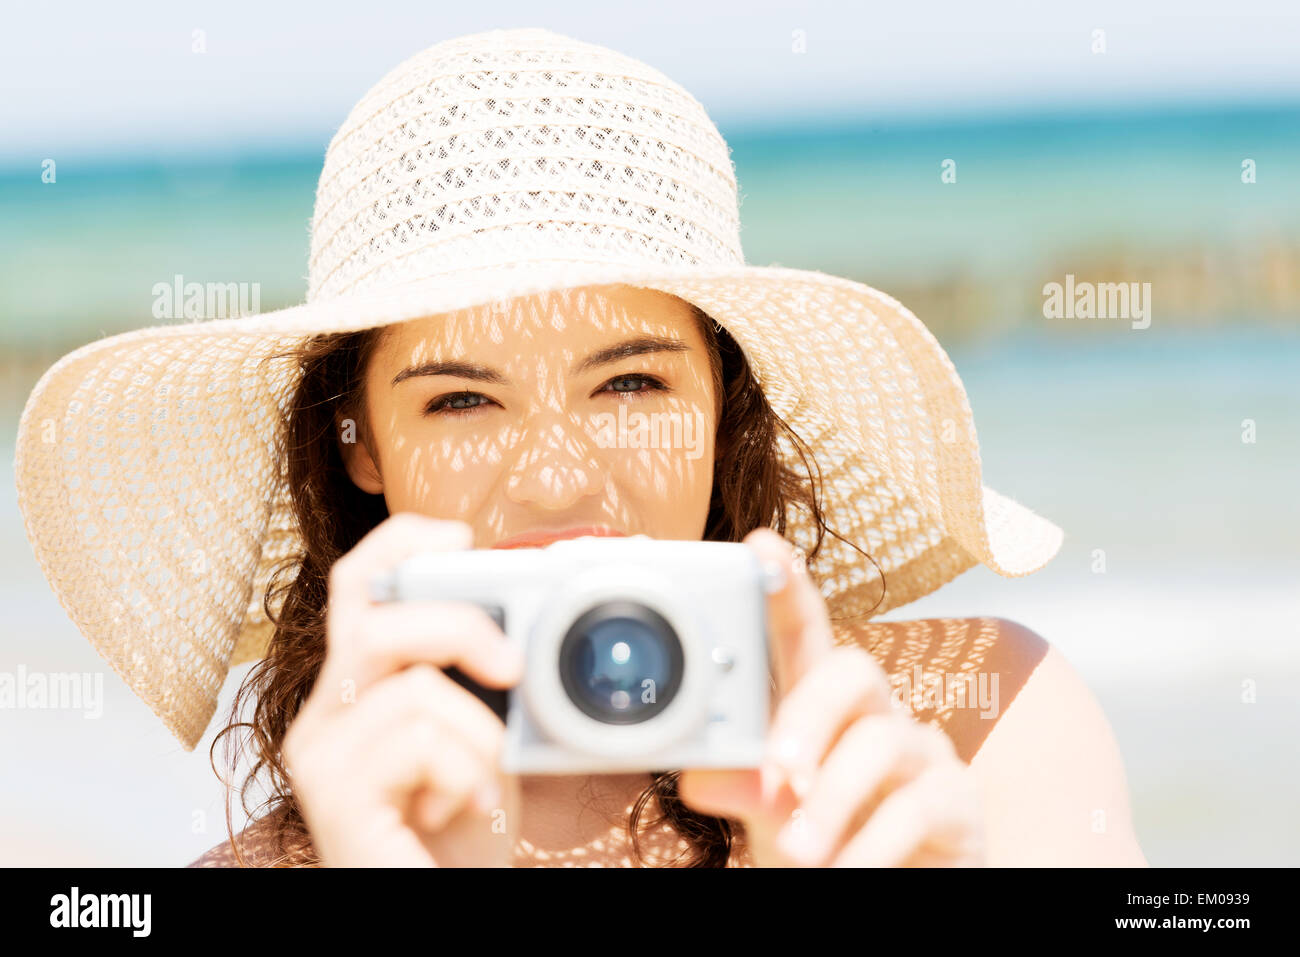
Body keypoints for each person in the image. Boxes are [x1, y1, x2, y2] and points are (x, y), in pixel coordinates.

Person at [14, 28, 1146, 867]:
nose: (555, 478)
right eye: (461, 402)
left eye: (631, 381)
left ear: (721, 405)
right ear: (362, 447)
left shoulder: (974, 721)